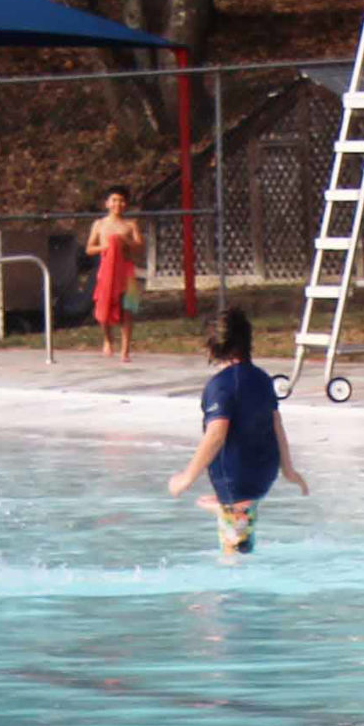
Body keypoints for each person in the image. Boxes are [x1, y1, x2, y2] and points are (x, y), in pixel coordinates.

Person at [164, 307, 304, 555]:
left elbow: (217, 433)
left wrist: (186, 478)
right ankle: (233, 510)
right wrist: (288, 470)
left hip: (236, 479)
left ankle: (231, 511)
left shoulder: (221, 386)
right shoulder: (261, 378)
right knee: (242, 522)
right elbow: (276, 425)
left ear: (214, 347)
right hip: (263, 474)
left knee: (235, 560)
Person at [82, 191, 144, 356]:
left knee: (128, 308)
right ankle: (108, 339)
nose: (118, 204)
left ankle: (125, 350)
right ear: (107, 203)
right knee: (103, 307)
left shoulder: (130, 224)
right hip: (106, 271)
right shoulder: (99, 224)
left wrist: (125, 242)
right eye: (114, 200)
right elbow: (89, 249)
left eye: (122, 201)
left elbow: (139, 246)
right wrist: (105, 247)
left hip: (127, 270)